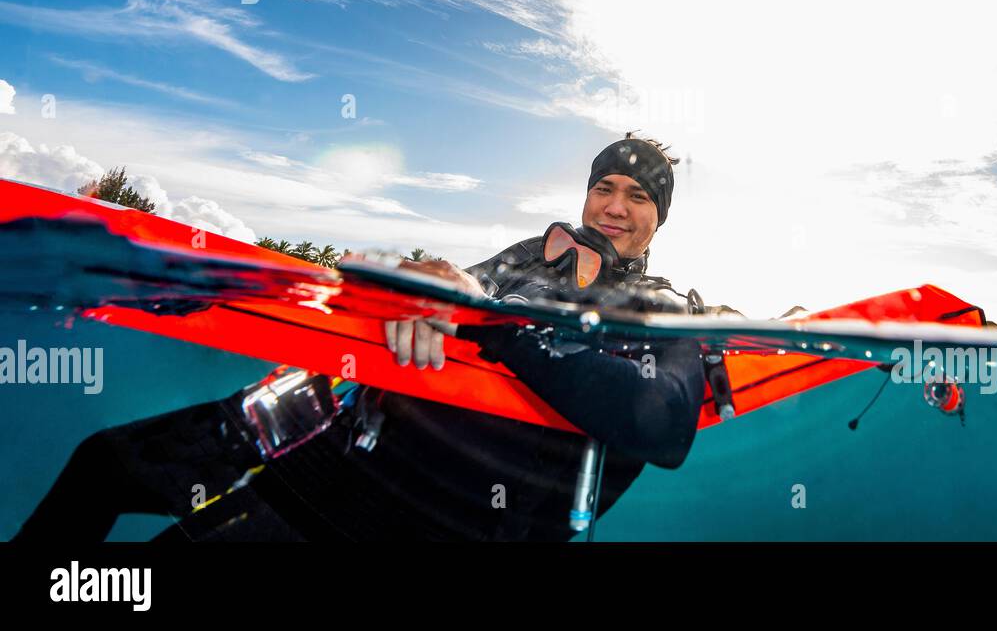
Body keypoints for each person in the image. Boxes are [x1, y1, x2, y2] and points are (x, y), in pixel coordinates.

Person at [13, 133, 706, 542]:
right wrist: (424, 281)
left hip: (407, 515)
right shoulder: (534, 255)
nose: (614, 206)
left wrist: (504, 332)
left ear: (660, 216)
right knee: (102, 464)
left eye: (638, 196)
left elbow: (666, 425)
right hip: (333, 443)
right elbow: (452, 281)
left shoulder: (666, 309)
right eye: (604, 187)